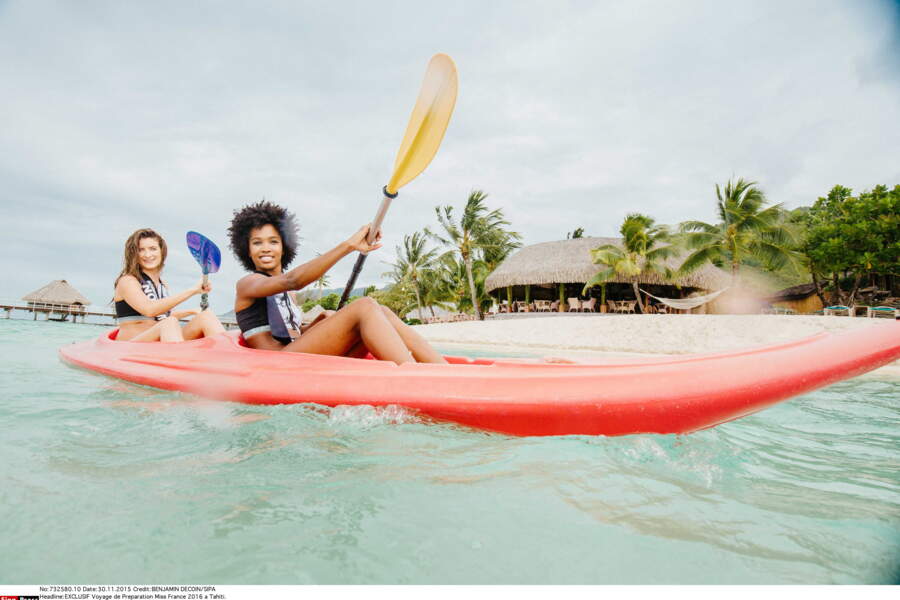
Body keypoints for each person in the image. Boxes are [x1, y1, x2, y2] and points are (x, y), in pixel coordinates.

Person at [228, 200, 447, 364]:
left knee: (382, 311)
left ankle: (441, 369)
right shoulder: (248, 283)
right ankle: (413, 376)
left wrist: (320, 321)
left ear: (284, 246)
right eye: (257, 243)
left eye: (273, 241)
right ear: (246, 249)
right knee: (364, 305)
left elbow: (290, 332)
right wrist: (349, 245)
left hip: (294, 356)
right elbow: (293, 280)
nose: (265, 248)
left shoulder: (287, 295)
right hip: (276, 365)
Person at [113, 228, 226, 342]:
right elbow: (149, 309)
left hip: (160, 341)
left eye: (153, 249)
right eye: (141, 250)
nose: (148, 254)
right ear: (134, 254)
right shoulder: (127, 281)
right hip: (131, 346)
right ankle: (180, 357)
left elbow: (164, 314)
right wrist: (193, 290)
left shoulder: (162, 284)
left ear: (161, 251)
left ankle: (226, 354)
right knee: (169, 323)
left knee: (205, 316)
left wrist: (193, 311)